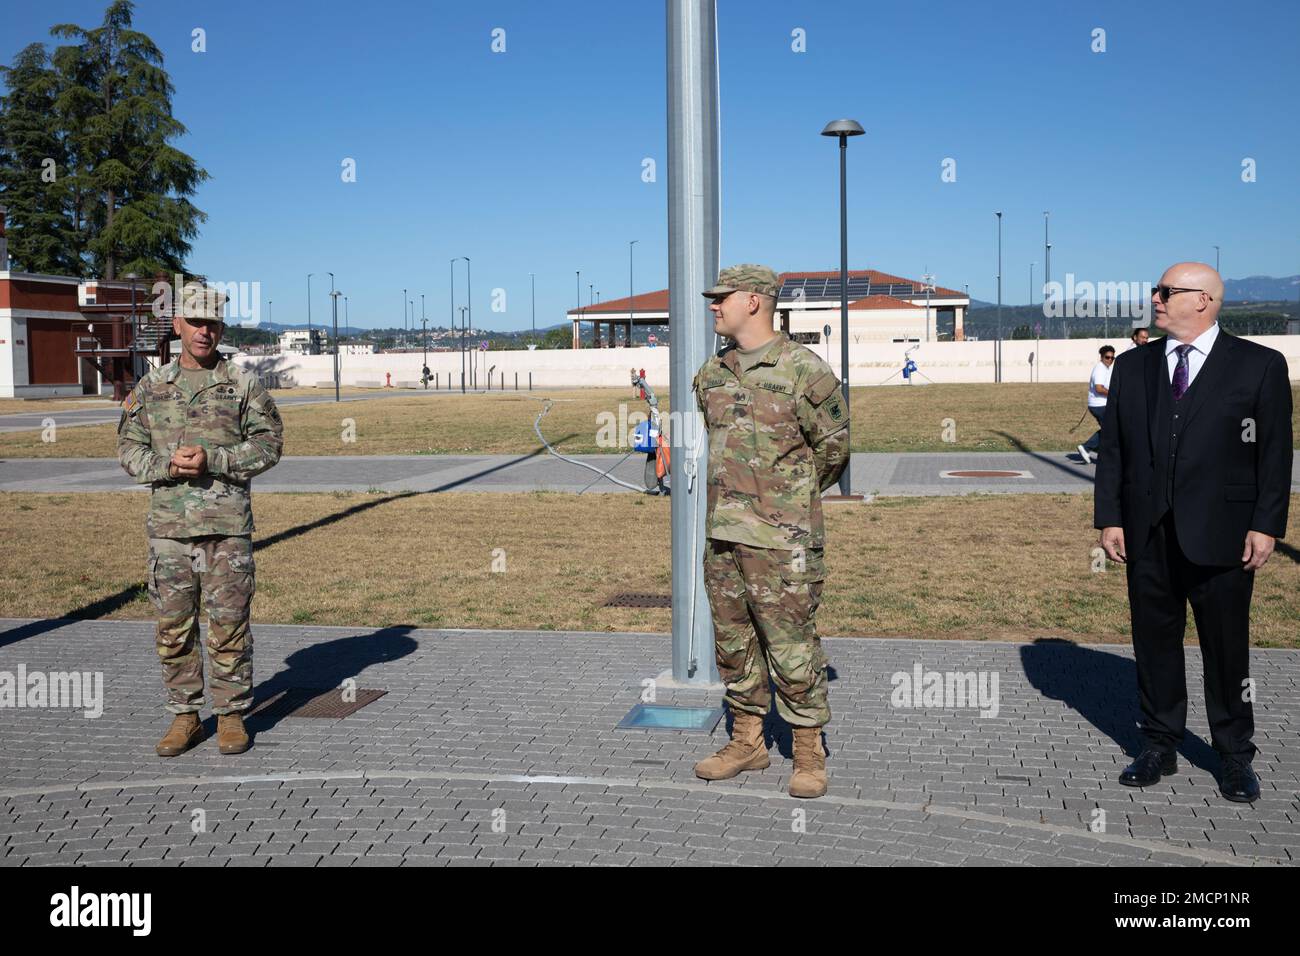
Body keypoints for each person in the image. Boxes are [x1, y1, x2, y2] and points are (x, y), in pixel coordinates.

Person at [1095, 262, 1292, 803]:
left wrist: (1266, 524)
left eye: (1166, 291)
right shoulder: (1133, 366)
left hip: (1224, 534)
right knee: (1154, 642)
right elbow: (1114, 449)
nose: (1155, 299)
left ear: (1203, 300)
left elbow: (1275, 455)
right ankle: (1159, 743)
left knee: (1226, 649)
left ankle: (1234, 755)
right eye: (1155, 290)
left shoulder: (1258, 364)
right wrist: (1110, 517)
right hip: (1147, 532)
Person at [691, 264, 850, 798]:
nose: (714, 305)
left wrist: (786, 499)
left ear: (754, 301)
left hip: (783, 543)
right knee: (733, 644)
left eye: (723, 297)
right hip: (723, 537)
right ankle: (747, 743)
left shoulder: (804, 370)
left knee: (792, 647)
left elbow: (833, 450)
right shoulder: (712, 373)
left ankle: (808, 752)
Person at [118, 284, 284, 757]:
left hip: (226, 528)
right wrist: (167, 466)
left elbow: (269, 444)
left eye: (211, 323)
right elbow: (128, 447)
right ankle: (185, 716)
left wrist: (215, 459)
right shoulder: (152, 387)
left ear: (221, 328)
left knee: (229, 626)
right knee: (174, 628)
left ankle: (230, 715)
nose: (203, 331)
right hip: (170, 532)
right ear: (177, 326)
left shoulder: (242, 384)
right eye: (194, 322)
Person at [1077, 345, 1115, 464]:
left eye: (1112, 358)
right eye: (1107, 357)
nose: (1110, 360)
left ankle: (1098, 450)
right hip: (1100, 405)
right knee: (1111, 430)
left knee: (1110, 430)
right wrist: (1114, 394)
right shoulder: (1100, 369)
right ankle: (1087, 447)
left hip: (1100, 405)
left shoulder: (1105, 368)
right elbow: (1099, 388)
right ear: (1101, 357)